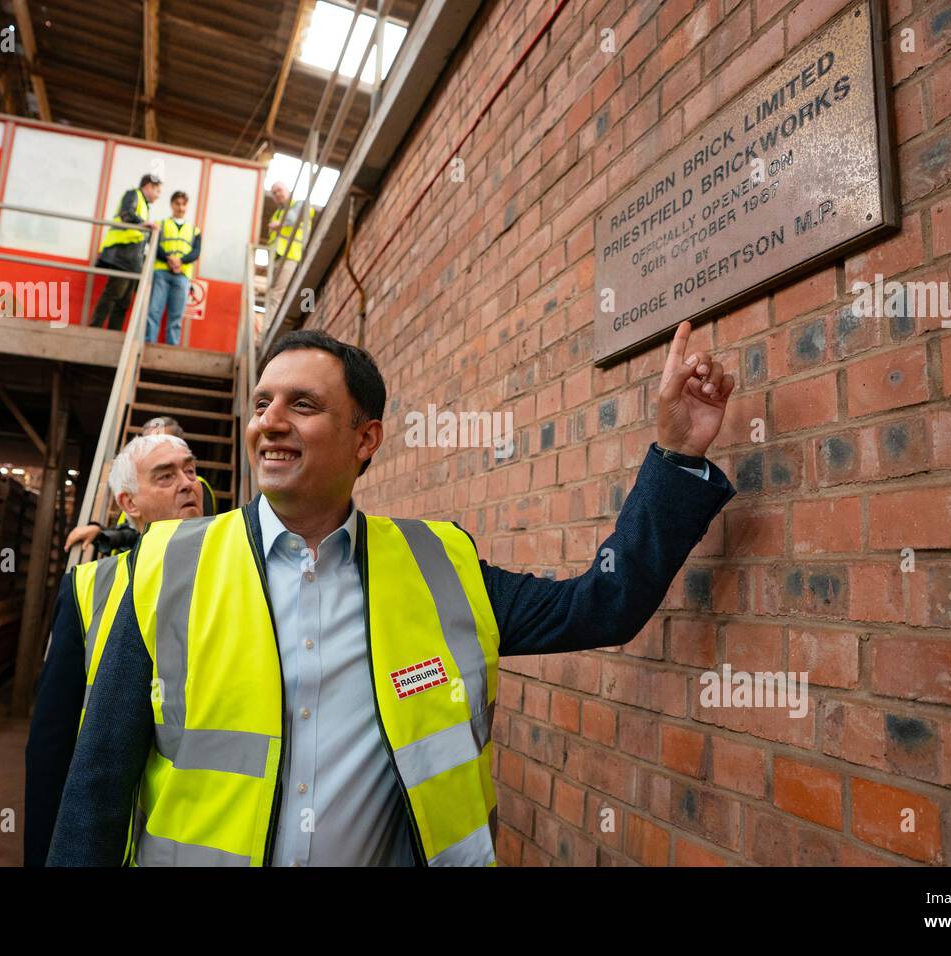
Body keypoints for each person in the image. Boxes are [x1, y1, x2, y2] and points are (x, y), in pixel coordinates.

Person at [49, 321, 735, 867]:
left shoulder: (441, 565)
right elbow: (96, 792)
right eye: (263, 404)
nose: (270, 421)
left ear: (365, 438)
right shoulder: (169, 565)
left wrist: (676, 455)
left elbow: (603, 606)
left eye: (304, 405)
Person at [24, 432, 204, 866]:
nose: (187, 483)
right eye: (165, 476)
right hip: (119, 840)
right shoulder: (88, 587)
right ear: (129, 504)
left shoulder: (243, 577)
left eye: (191, 470)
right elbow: (53, 739)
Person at [63, 416, 217, 558]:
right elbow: (133, 530)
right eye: (147, 442)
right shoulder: (135, 488)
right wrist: (102, 533)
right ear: (128, 503)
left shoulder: (195, 486)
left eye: (164, 440)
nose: (154, 446)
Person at [90, 173, 161, 331]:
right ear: (148, 186)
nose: (158, 195)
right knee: (114, 293)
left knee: (124, 301)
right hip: (121, 255)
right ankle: (95, 328)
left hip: (132, 259)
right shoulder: (133, 195)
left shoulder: (143, 204)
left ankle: (113, 332)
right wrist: (144, 223)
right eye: (157, 191)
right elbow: (126, 214)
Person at [145, 191, 202, 346]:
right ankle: (149, 343)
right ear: (171, 205)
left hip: (182, 276)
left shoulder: (194, 230)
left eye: (183, 204)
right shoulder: (161, 224)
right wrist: (169, 259)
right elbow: (154, 245)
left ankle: (172, 347)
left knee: (176, 315)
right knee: (154, 311)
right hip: (161, 273)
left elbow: (196, 252)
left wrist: (180, 261)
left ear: (187, 206)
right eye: (177, 203)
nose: (180, 207)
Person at [265, 181, 316, 320]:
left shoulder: (300, 204)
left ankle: (268, 328)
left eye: (279, 190)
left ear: (288, 190)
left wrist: (279, 225)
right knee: (274, 294)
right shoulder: (276, 214)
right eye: (273, 193)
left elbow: (293, 219)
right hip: (279, 258)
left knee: (277, 295)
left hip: (292, 255)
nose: (277, 194)